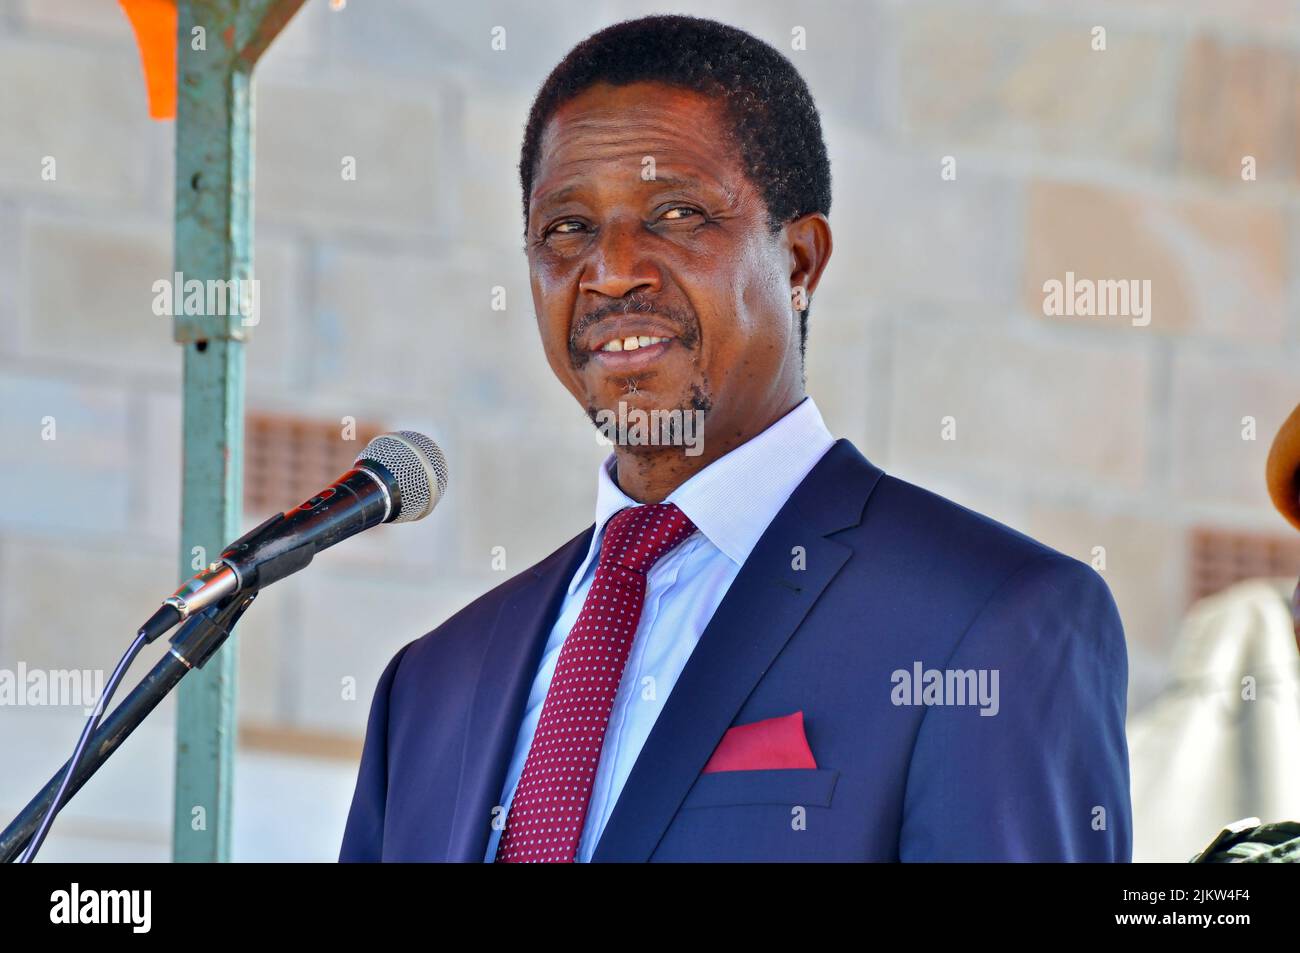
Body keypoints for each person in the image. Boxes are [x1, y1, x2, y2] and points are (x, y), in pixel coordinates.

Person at [339, 14, 1131, 863]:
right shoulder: (429, 689)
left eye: (676, 213)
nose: (610, 269)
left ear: (799, 261)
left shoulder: (993, 620)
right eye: (566, 228)